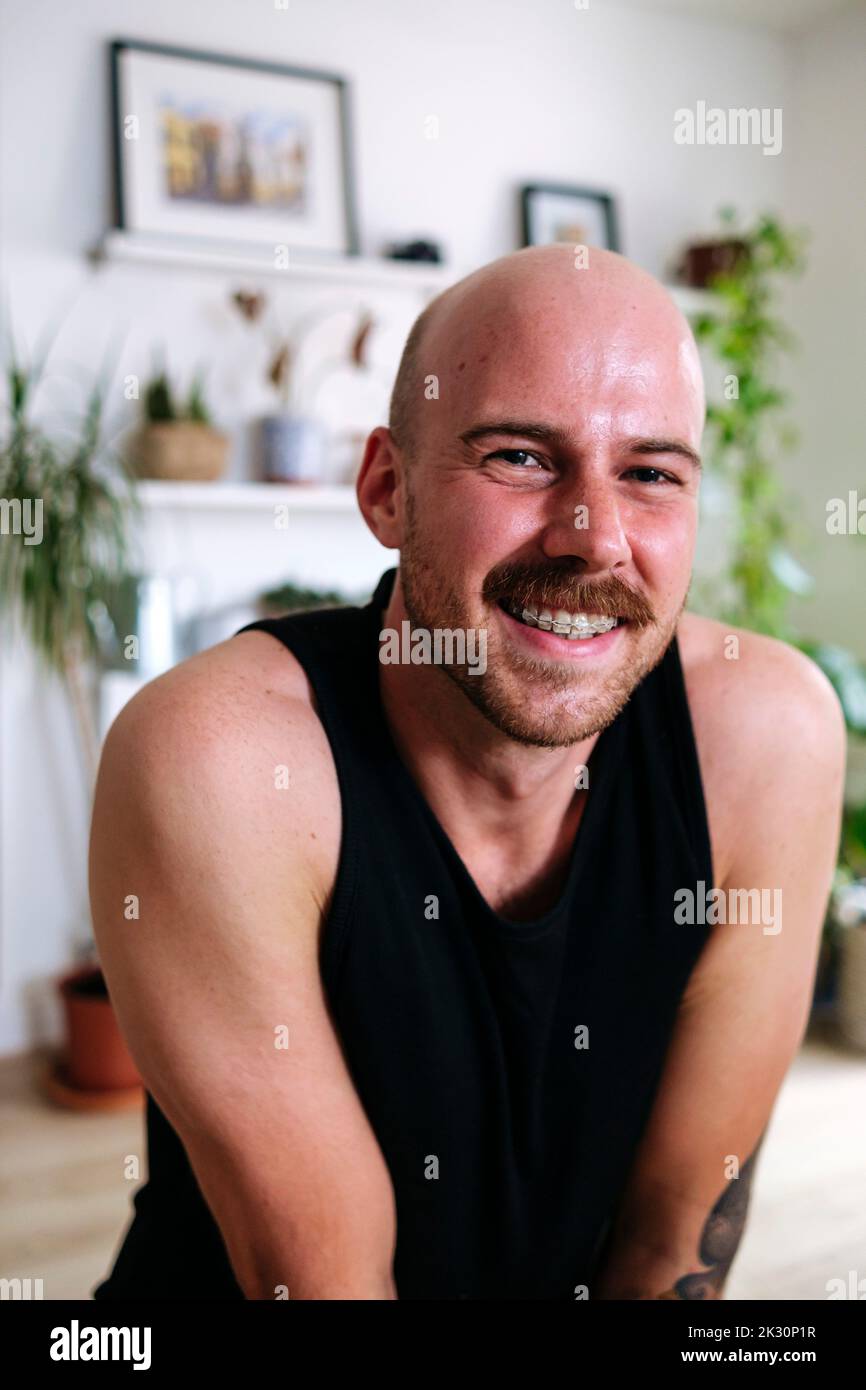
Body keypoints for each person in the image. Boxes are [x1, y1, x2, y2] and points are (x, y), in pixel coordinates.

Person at [90, 245, 845, 1300]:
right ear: (386, 490)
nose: (592, 540)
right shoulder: (222, 760)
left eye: (647, 473)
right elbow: (328, 1283)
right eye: (520, 457)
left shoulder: (767, 735)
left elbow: (674, 1239)